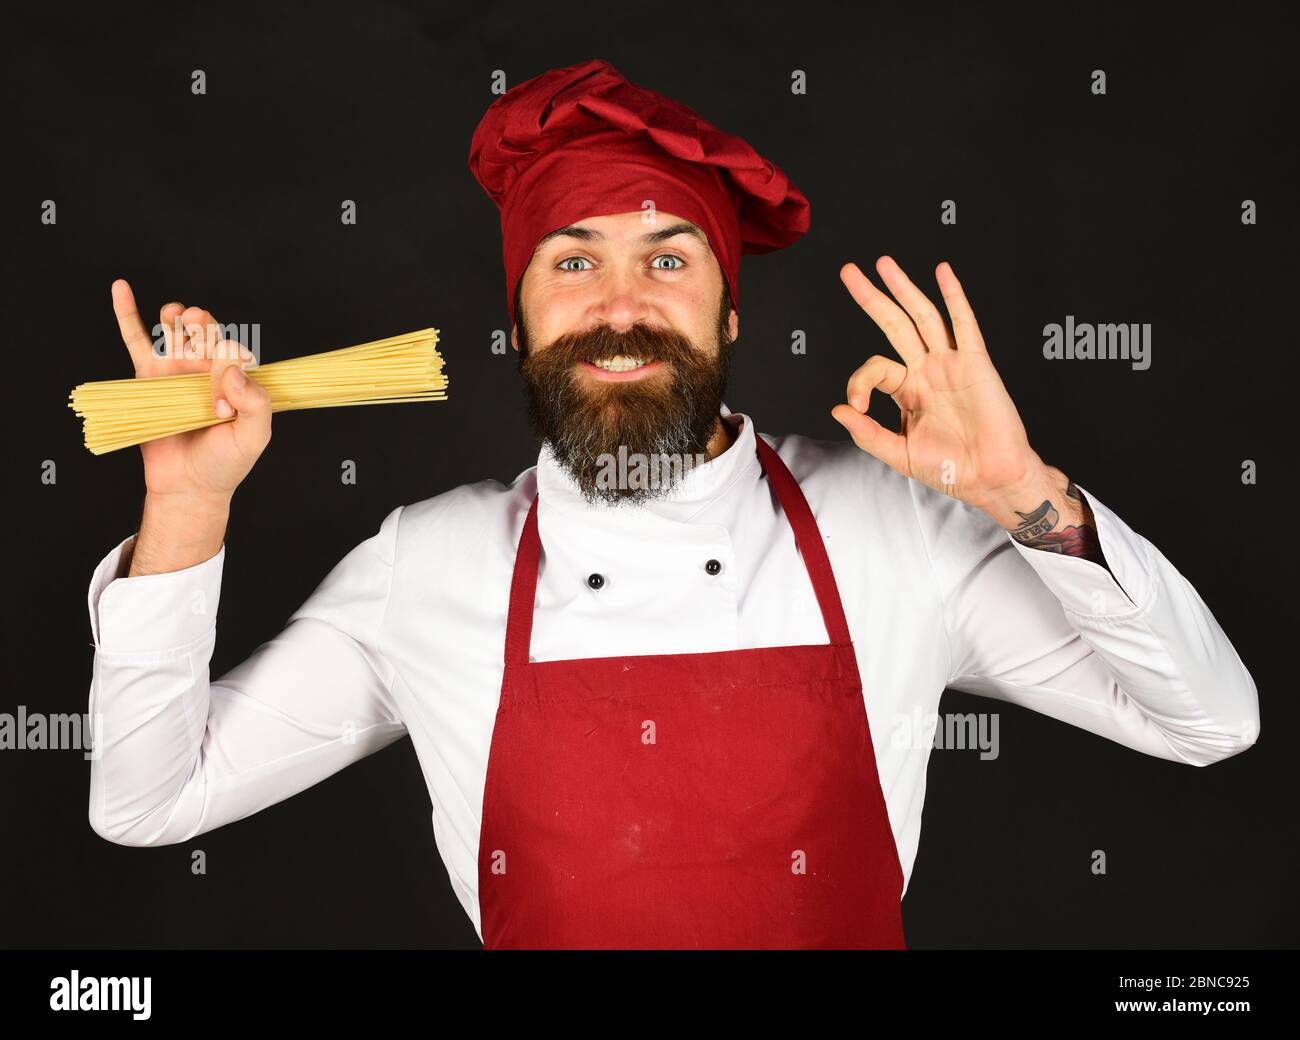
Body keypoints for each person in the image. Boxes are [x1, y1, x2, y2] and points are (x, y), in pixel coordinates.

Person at [86, 58, 1259, 949]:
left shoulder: (888, 526)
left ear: (729, 313)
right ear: (520, 318)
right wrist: (187, 503)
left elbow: (1210, 720)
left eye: (668, 258)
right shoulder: (429, 563)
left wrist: (1022, 493)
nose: (621, 303)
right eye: (573, 258)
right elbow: (148, 801)